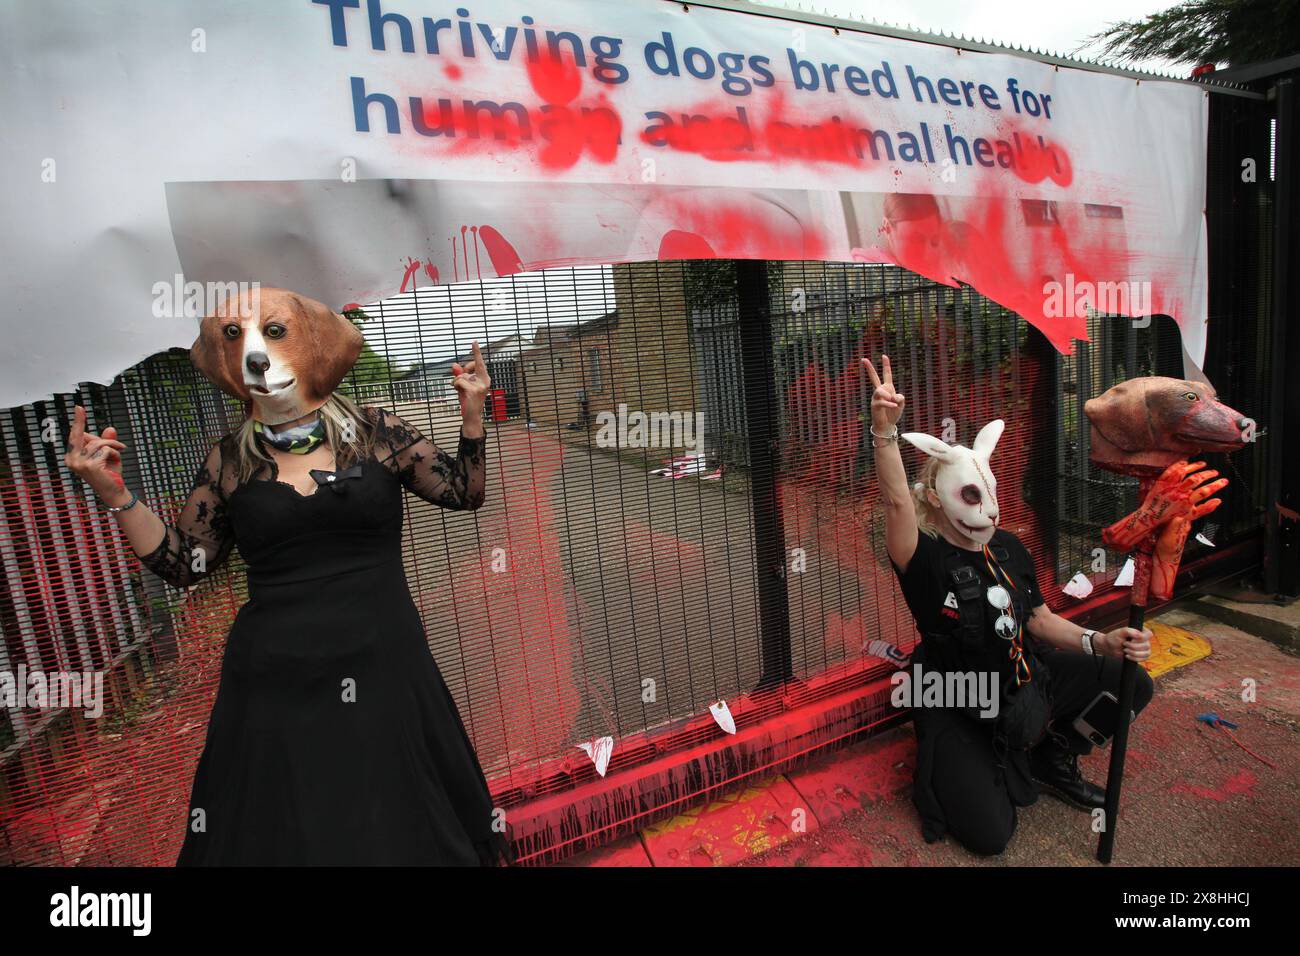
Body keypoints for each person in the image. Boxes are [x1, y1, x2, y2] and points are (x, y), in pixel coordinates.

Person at [64, 287, 512, 865]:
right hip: (276, 684)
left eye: (274, 331)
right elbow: (184, 564)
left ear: (315, 345)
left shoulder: (376, 431)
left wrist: (472, 414)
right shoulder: (228, 460)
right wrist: (116, 494)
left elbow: (463, 492)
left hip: (385, 664)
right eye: (236, 337)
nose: (256, 350)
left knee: (400, 818)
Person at [862, 353, 1154, 856]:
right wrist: (885, 432)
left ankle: (1054, 754)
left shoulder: (1011, 549)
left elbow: (1038, 619)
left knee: (1129, 684)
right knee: (991, 834)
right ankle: (978, 757)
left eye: (989, 493)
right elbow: (895, 503)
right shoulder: (924, 557)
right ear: (934, 496)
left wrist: (1099, 641)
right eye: (970, 496)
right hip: (955, 695)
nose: (988, 510)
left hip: (1021, 678)